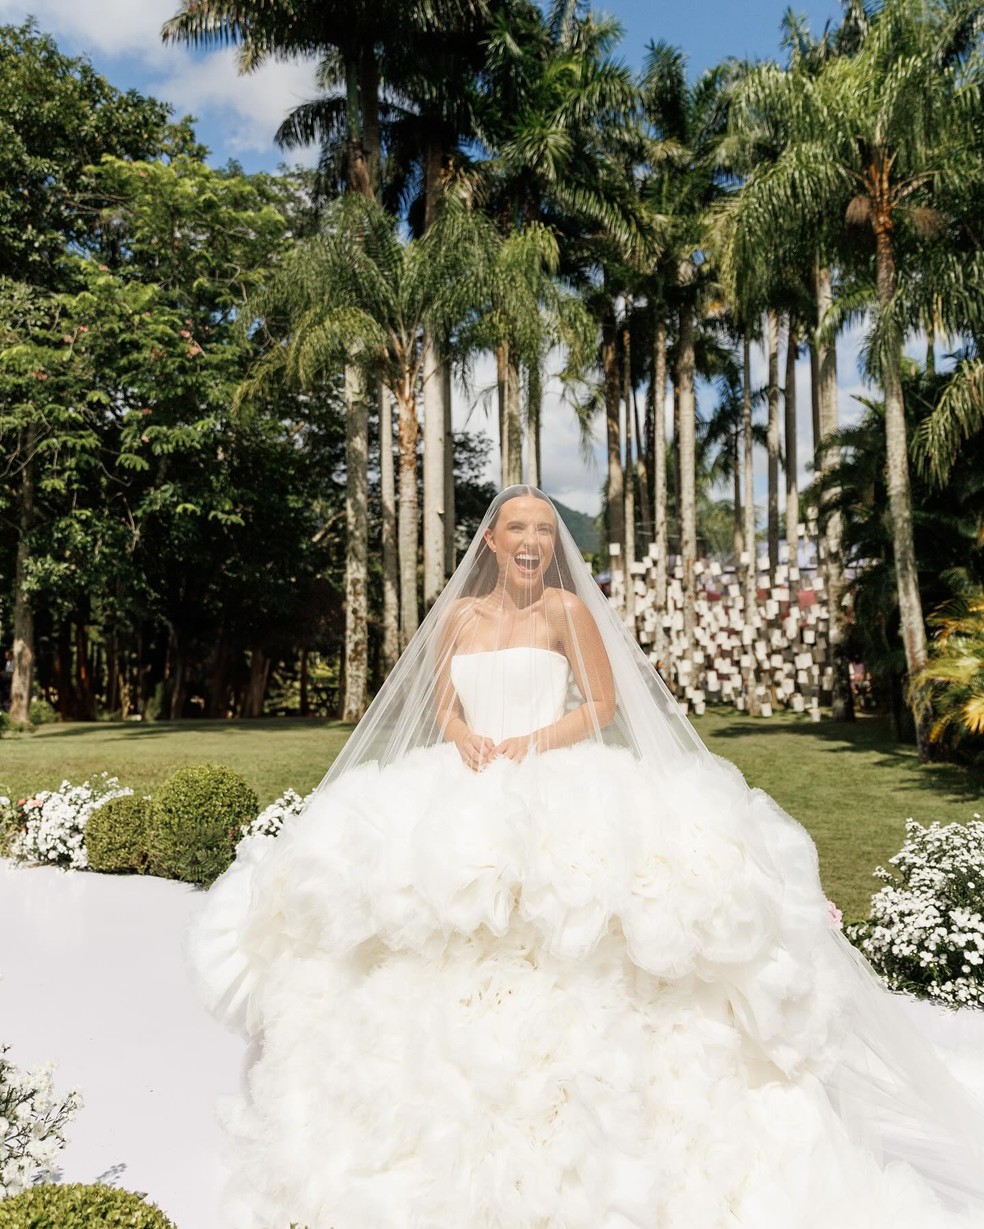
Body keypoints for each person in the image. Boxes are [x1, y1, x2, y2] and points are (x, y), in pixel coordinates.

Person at [190, 487, 984, 1229]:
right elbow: (442, 705)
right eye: (519, 530)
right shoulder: (460, 617)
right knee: (424, 913)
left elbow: (602, 704)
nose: (533, 541)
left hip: (554, 777)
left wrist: (534, 742)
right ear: (493, 543)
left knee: (574, 925)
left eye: (544, 529)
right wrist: (465, 737)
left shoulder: (569, 610)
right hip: (465, 780)